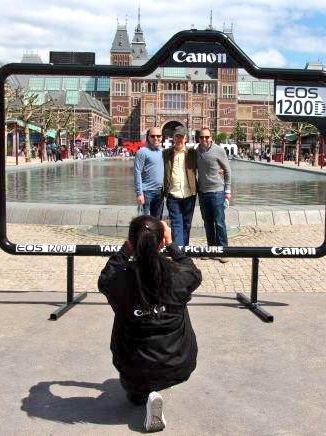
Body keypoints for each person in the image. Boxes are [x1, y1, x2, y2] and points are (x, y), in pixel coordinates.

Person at [98, 216, 202, 432]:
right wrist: (172, 244)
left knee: (134, 393)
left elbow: (106, 277)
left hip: (132, 365)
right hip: (178, 363)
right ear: (162, 241)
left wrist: (126, 250)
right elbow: (193, 272)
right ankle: (158, 384)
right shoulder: (178, 276)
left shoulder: (119, 280)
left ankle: (144, 393)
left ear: (131, 242)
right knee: (178, 309)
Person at [195, 128, 232, 262]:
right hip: (203, 192)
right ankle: (211, 249)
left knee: (219, 222)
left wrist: (227, 191)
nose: (204, 139)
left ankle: (223, 251)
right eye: (202, 137)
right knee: (208, 222)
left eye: (207, 137)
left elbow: (227, 170)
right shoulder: (197, 151)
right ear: (198, 139)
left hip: (217, 191)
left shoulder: (219, 150)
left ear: (211, 137)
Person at [163, 126, 197, 246]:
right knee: (177, 224)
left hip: (189, 195)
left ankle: (184, 250)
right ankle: (179, 252)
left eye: (181, 137)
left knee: (187, 224)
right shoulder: (166, 153)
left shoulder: (192, 153)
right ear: (173, 138)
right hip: (173, 195)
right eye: (177, 136)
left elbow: (205, 163)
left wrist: (219, 169)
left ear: (186, 138)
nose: (179, 139)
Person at [134, 127, 164, 218]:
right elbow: (137, 173)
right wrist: (139, 193)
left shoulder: (162, 152)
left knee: (157, 221)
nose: (156, 138)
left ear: (162, 137)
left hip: (160, 192)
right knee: (145, 221)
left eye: (158, 136)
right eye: (153, 136)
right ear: (148, 137)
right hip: (146, 192)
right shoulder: (142, 152)